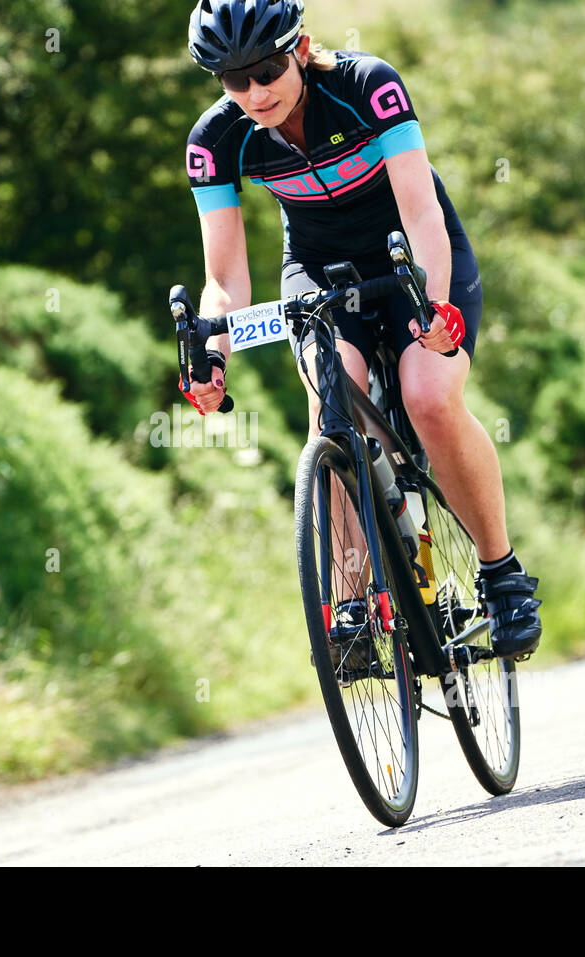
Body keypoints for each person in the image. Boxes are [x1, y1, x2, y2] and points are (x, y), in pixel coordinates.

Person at [183, 0, 541, 659]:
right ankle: (354, 601)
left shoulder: (365, 85)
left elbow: (421, 208)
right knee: (333, 405)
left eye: (266, 69)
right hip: (318, 269)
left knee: (430, 396)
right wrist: (213, 355)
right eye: (235, 80)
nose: (256, 92)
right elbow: (226, 280)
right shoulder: (215, 141)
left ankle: (502, 573)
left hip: (412, 250)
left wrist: (437, 308)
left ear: (301, 48)